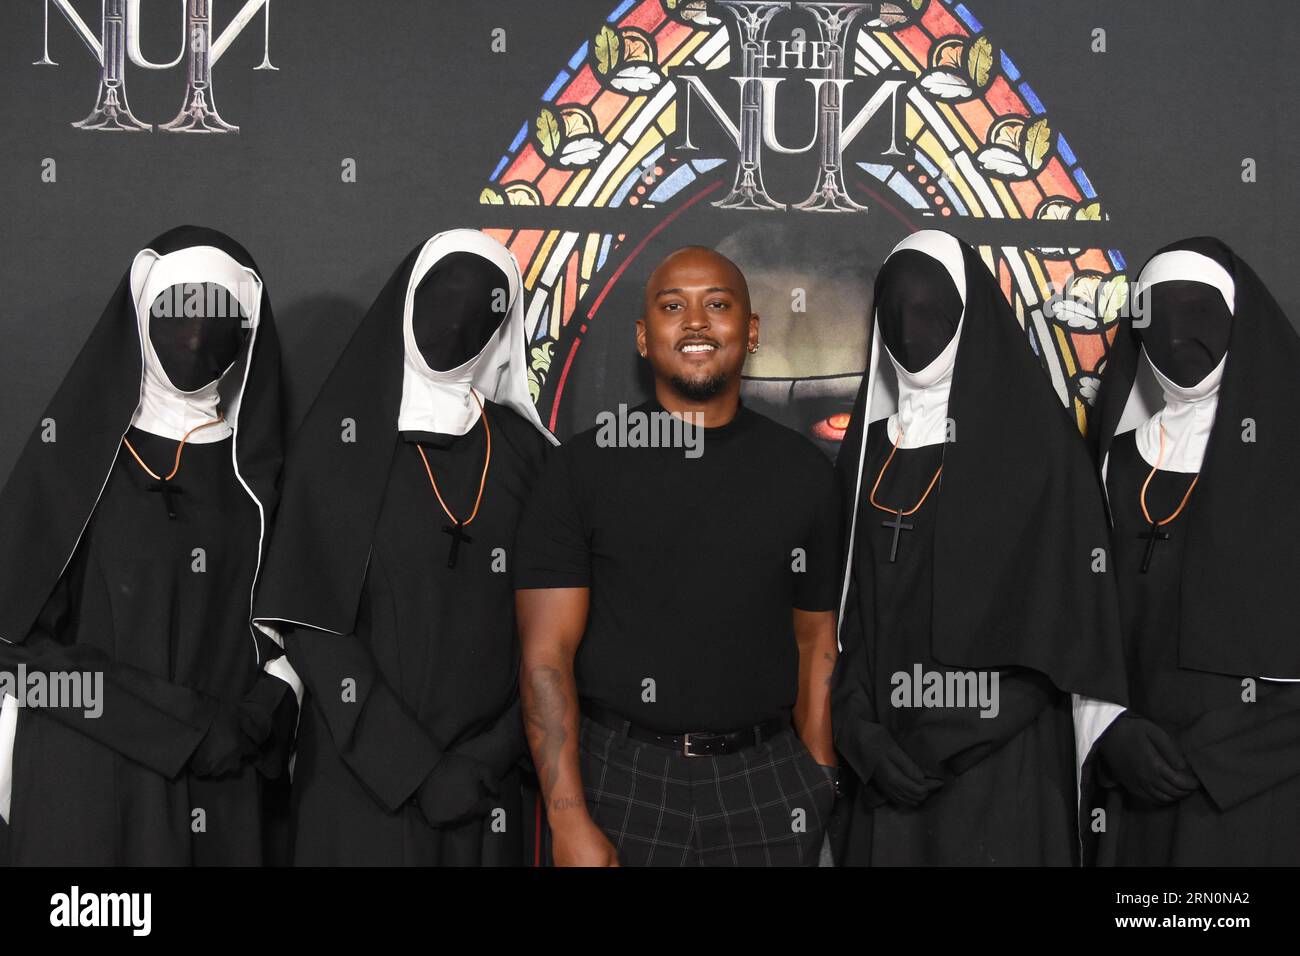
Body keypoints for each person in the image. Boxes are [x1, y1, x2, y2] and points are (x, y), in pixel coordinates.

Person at [514, 245, 840, 867]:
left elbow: (815, 639)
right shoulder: (580, 468)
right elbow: (544, 655)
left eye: (717, 304)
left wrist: (819, 776)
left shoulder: (803, 472)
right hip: (618, 777)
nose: (695, 322)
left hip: (768, 780)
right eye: (672, 306)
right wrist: (567, 816)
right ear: (643, 337)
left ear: (751, 331)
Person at [253, 229, 556, 865]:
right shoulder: (341, 442)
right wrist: (414, 768)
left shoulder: (532, 459)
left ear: (504, 325)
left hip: (485, 787)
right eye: (444, 298)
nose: (458, 320)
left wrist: (492, 753)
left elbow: (554, 628)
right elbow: (312, 620)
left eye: (483, 306)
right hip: (358, 779)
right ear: (407, 303)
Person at [0, 226, 295, 866]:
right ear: (140, 316)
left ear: (247, 330)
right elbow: (16, 657)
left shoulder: (266, 480)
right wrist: (179, 725)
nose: (194, 334)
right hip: (88, 787)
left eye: (217, 314)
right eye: (177, 309)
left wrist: (265, 713)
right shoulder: (74, 458)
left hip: (222, 791)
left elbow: (295, 643)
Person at [831, 230, 1127, 866]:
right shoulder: (866, 451)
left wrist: (943, 741)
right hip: (881, 766)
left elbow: (1063, 639)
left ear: (970, 315)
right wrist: (859, 732)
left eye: (930, 306)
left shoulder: (1040, 455)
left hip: (996, 767)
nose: (911, 326)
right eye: (894, 307)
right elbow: (850, 611)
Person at [1083, 237, 1300, 865]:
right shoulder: (1113, 464)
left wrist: (1214, 757)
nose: (1179, 334)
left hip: (1262, 793)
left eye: (1199, 311)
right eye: (1158, 312)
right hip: (1135, 789)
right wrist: (1107, 731)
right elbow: (1080, 619)